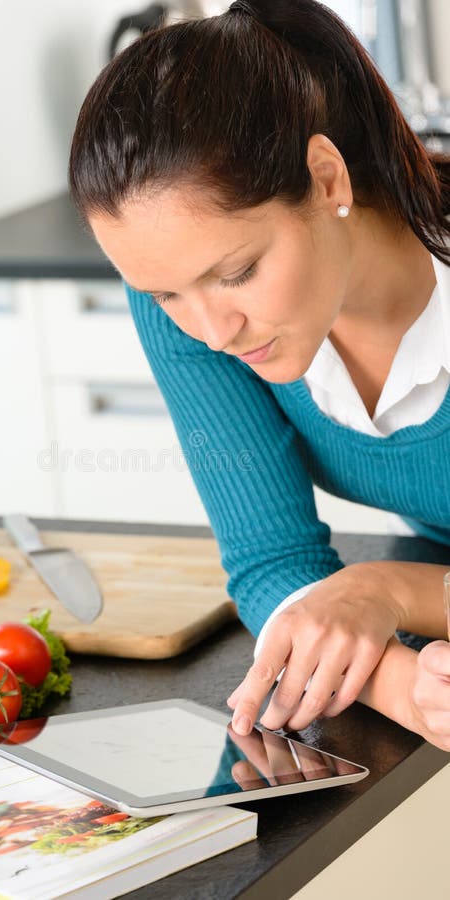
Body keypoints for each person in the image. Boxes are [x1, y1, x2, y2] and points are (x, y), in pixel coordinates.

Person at [68, 0, 450, 750]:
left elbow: (347, 593)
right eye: (163, 294)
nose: (210, 330)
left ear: (325, 177)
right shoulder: (195, 310)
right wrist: (403, 686)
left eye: (237, 272)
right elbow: (271, 563)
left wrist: (384, 590)